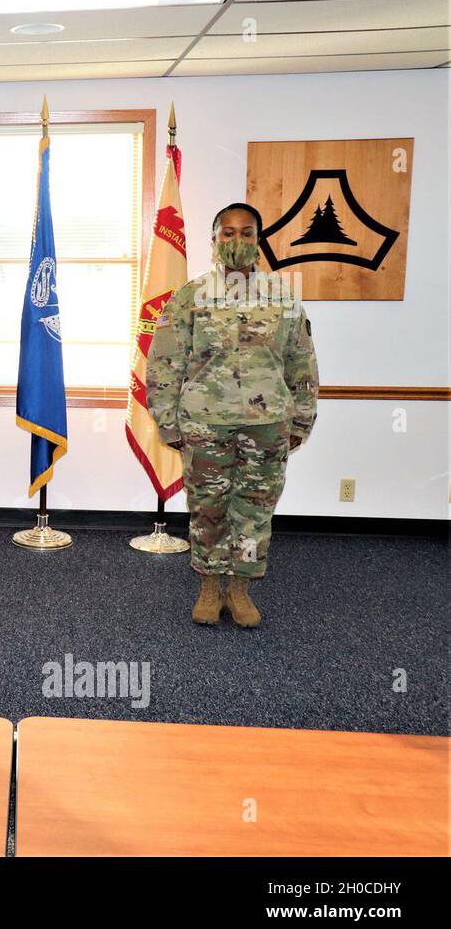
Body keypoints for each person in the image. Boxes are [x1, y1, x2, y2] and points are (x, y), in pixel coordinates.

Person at [146, 202, 319, 628]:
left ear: (258, 241)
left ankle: (239, 588)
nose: (237, 240)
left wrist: (301, 420)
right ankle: (209, 586)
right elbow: (165, 362)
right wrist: (168, 421)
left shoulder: (283, 299)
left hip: (267, 424)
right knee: (208, 506)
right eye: (228, 233)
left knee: (255, 507)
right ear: (215, 240)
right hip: (206, 422)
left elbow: (302, 363)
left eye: (246, 233)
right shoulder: (189, 296)